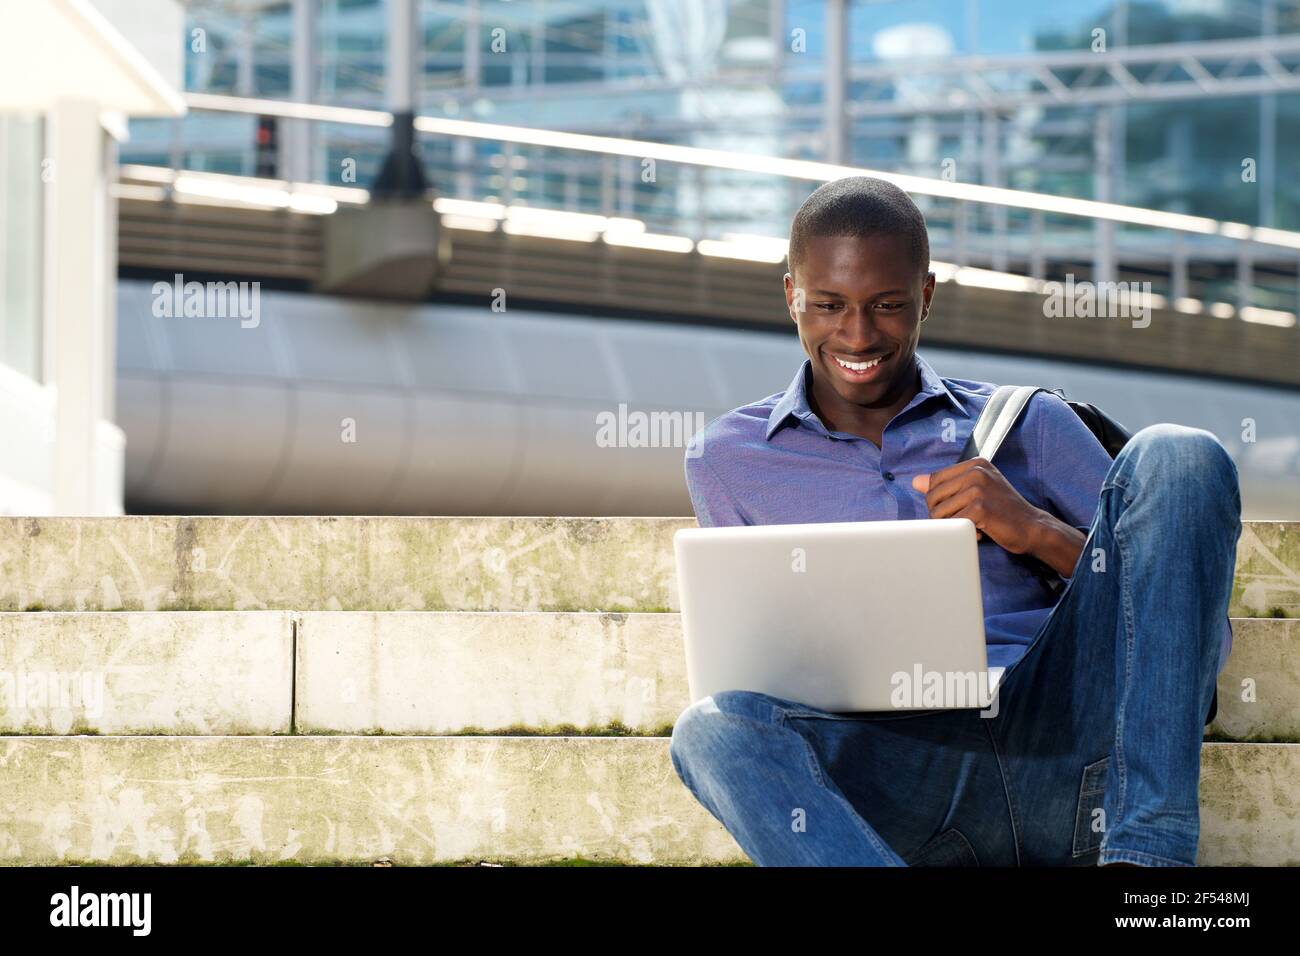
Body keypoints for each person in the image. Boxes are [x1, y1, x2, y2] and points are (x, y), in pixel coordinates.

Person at [669, 176, 1240, 867]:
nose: (857, 333)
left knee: (1182, 452)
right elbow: (757, 670)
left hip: (1073, 756)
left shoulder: (1029, 423)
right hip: (907, 790)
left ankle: (1148, 862)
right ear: (791, 295)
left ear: (926, 297)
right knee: (710, 730)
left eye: (887, 305)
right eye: (828, 305)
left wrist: (1033, 530)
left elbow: (1187, 635)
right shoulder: (728, 461)